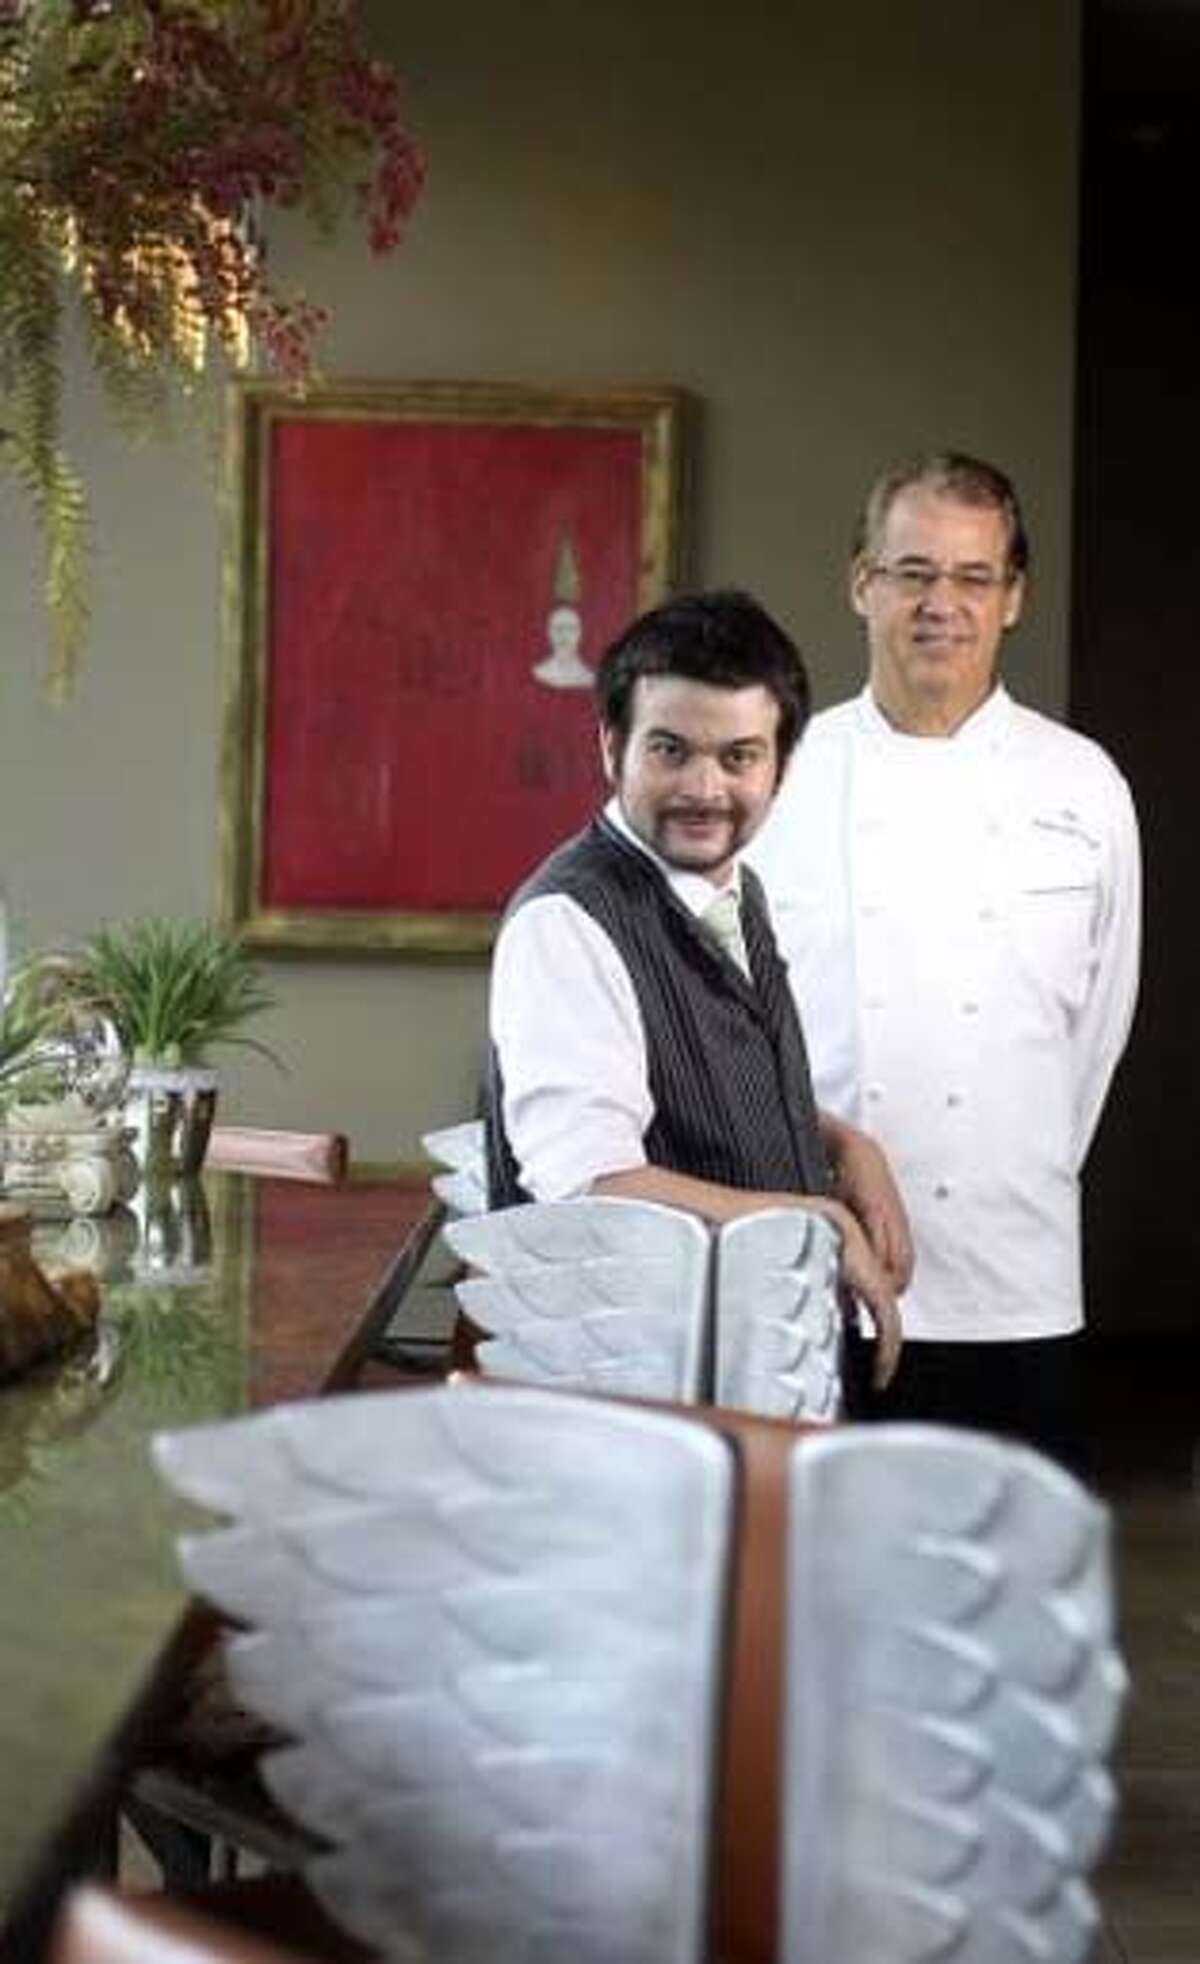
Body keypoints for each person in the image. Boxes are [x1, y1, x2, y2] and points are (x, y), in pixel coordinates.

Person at [747, 453, 1141, 1465]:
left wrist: (1017, 1165)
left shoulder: (1084, 784)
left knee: (997, 1557)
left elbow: (1096, 1035)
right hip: (812, 1275)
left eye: (973, 577)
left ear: (1014, 598)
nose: (942, 604)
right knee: (816, 1557)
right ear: (861, 583)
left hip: (1015, 1277)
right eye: (913, 572)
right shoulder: (779, 775)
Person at [487, 588, 908, 1389]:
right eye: (670, 751)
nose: (704, 789)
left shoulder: (736, 890)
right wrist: (812, 1219)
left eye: (738, 757)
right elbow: (589, 1181)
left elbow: (701, 1088)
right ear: (612, 746)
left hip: (752, 1369)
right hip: (636, 1394)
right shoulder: (566, 921)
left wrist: (845, 1144)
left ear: (780, 767)